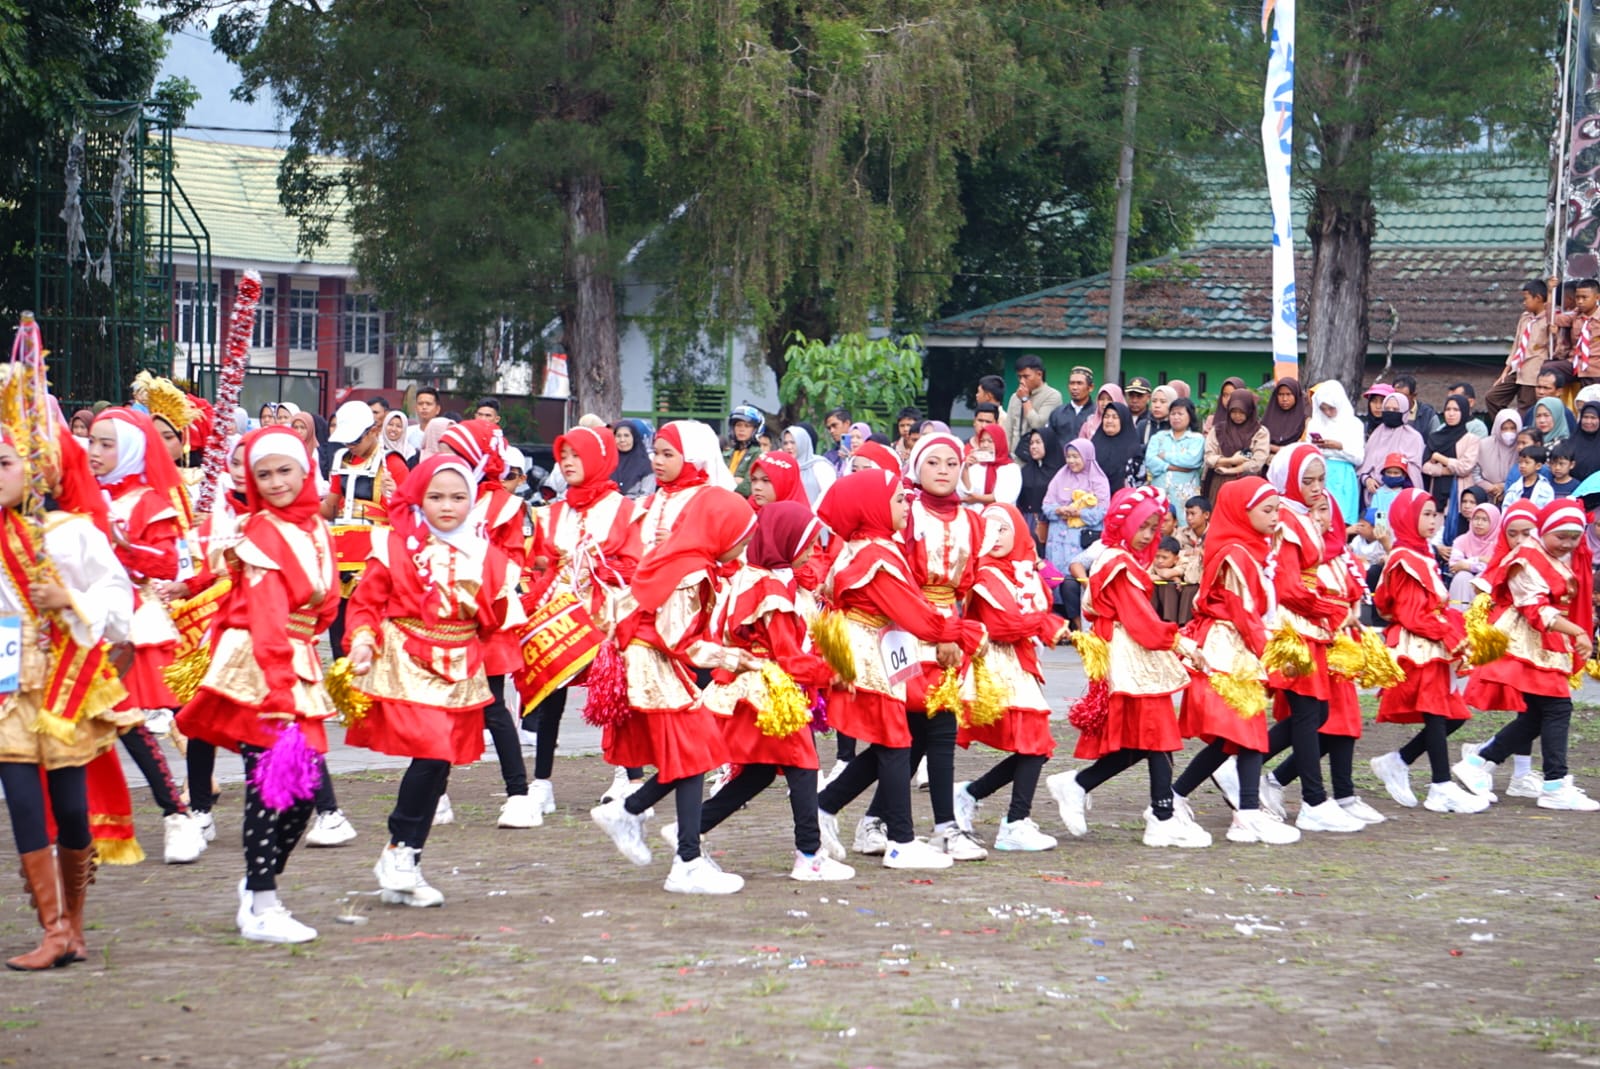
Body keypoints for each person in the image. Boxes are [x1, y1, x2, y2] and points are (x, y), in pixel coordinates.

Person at [174, 427, 341, 943]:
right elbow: (268, 617)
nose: (274, 482)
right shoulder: (263, 533)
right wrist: (276, 689)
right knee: (269, 790)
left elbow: (325, 604)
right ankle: (262, 903)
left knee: (304, 793)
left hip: (296, 661)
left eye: (284, 470)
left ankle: (256, 888)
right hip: (260, 667)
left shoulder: (315, 528)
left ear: (304, 469)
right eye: (262, 474)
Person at [345, 455, 523, 907]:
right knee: (430, 753)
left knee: (440, 763)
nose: (448, 506)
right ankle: (400, 847)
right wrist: (362, 641)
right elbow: (367, 601)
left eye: (459, 497)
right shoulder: (393, 545)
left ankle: (406, 859)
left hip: (461, 665)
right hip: (406, 658)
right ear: (419, 498)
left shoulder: (486, 556)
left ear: (472, 500)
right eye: (436, 496)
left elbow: (496, 619)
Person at [0, 427, 135, 969]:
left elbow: (118, 597)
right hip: (9, 692)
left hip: (65, 687)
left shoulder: (70, 533)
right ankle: (52, 931)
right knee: (24, 807)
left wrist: (67, 597)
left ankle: (75, 924)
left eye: (5, 462)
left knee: (74, 812)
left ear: (37, 469)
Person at [810, 470, 985, 869]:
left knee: (898, 741)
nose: (906, 505)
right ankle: (900, 841)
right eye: (897, 500)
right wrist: (962, 631)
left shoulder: (865, 546)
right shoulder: (876, 553)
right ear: (871, 507)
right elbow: (914, 614)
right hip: (872, 654)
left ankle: (825, 809)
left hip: (879, 649)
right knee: (895, 742)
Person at [590, 488, 755, 894]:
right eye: (743, 537)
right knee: (696, 752)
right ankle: (686, 861)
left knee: (691, 755)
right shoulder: (693, 570)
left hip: (648, 661)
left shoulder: (676, 556)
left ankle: (630, 813)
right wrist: (733, 658)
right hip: (655, 666)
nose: (745, 546)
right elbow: (678, 638)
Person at [686, 502, 853, 880]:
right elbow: (789, 658)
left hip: (756, 687)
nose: (812, 552)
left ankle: (689, 828)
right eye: (806, 543)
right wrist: (831, 674)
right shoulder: (774, 590)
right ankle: (809, 855)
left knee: (758, 773)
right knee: (804, 765)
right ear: (787, 541)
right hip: (769, 690)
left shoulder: (753, 576)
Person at [1046, 488, 1210, 848]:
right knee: (1157, 734)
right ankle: (1161, 816)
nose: (1150, 534)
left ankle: (1080, 785)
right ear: (1122, 524)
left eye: (1155, 526)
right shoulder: (1119, 563)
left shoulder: (1118, 559)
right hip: (1133, 656)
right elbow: (1142, 622)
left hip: (1133, 655)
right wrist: (1183, 643)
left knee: (1144, 740)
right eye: (1143, 526)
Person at [86, 409, 208, 864]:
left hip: (134, 619)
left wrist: (120, 540)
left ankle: (183, 814)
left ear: (132, 451)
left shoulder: (150, 503)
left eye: (106, 444)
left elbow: (166, 564)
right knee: (103, 726)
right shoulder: (83, 496)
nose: (94, 453)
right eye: (92, 442)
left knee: (167, 717)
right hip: (82, 622)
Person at [1170, 477, 1300, 845]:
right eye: (1267, 510)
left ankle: (1177, 796)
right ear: (1243, 513)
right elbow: (1244, 613)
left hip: (1237, 645)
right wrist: (1272, 654)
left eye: (1277, 509)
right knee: (1248, 733)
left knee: (1235, 739)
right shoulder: (1237, 554)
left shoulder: (1248, 549)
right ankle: (1245, 815)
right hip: (1229, 649)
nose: (1276, 517)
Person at [523, 426, 641, 819]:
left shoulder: (624, 510)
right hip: (560, 617)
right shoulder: (552, 512)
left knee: (617, 699)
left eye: (576, 455)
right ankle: (541, 783)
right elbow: (537, 564)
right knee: (548, 697)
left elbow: (635, 564)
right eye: (564, 456)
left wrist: (600, 568)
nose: (568, 463)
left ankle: (628, 776)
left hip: (607, 618)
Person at [1454, 500, 1600, 810]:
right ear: (1545, 530)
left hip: (1543, 641)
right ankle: (1554, 784)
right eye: (1561, 536)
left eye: (1575, 537)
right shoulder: (1527, 557)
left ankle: (1479, 762)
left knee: (1537, 715)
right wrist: (1577, 631)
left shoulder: (1543, 553)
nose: (1569, 544)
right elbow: (1535, 610)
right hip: (1530, 642)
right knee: (1557, 709)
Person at [1258, 444, 1367, 833]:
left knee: (1316, 712)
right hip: (1294, 624)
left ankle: (1246, 768)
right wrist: (1332, 609)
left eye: (1322, 480)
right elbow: (1288, 586)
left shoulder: (1301, 517)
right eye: (1308, 480)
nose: (1318, 488)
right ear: (1289, 480)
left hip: (1310, 622)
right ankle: (1313, 800)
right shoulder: (1286, 518)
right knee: (1309, 712)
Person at [434, 419, 537, 828]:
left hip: (487, 616)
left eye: (455, 453)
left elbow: (512, 564)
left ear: (478, 457)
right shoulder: (441, 494)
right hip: (445, 617)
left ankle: (519, 795)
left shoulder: (505, 505)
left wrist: (474, 583)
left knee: (492, 707)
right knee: (439, 705)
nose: (446, 461)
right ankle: (435, 793)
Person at [953, 505, 1071, 851]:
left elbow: (1043, 602)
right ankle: (1014, 821)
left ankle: (974, 796)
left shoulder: (1021, 569)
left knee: (1034, 746)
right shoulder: (985, 572)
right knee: (1034, 743)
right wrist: (1042, 623)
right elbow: (1002, 625)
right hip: (994, 666)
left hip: (1018, 664)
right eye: (989, 529)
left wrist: (1036, 571)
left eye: (1003, 529)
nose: (995, 536)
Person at [1359, 490, 1484, 814]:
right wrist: (1449, 633)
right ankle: (1440, 785)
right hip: (1421, 643)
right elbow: (1411, 612)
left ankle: (1399, 762)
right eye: (1425, 514)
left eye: (1435, 514)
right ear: (1406, 517)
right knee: (1438, 711)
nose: (1433, 520)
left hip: (1431, 641)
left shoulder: (1420, 552)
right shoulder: (1407, 558)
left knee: (1449, 714)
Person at [1042, 440, 1110, 575]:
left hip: (1082, 541)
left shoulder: (1098, 481)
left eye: (1076, 456)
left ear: (1087, 456)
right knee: (1056, 578)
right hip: (1057, 541)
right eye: (1068, 456)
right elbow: (1046, 505)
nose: (1071, 461)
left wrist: (1079, 513)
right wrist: (1059, 510)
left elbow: (1102, 511)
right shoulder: (1060, 477)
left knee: (1076, 581)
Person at [1304, 381, 1365, 522]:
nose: (1327, 413)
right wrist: (1321, 447)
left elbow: (1358, 458)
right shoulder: (1315, 423)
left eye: (1331, 408)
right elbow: (1308, 450)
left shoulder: (1354, 424)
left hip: (1343, 476)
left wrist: (1339, 447)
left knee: (1341, 519)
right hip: (1319, 473)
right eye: (1323, 409)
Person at [1487, 281, 1552, 413]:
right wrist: (1506, 370)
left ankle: (1522, 430)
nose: (1524, 302)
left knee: (1525, 406)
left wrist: (1550, 291)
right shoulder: (1525, 318)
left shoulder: (1549, 319)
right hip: (1517, 368)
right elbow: (1516, 345)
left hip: (1533, 370)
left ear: (1538, 298)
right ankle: (1507, 426)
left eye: (1526, 299)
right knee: (1493, 398)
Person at [1422, 395, 1480, 539]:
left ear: (1465, 412)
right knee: (1436, 535)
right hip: (1436, 492)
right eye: (1448, 409)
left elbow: (1465, 468)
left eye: (1456, 409)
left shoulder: (1471, 439)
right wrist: (1443, 471)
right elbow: (1425, 466)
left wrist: (1441, 458)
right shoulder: (1435, 437)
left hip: (1458, 493)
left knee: (1458, 535)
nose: (1451, 413)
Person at [1203, 386, 1268, 497]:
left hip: (1247, 483)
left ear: (1250, 411)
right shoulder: (1218, 430)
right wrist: (1232, 460)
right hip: (1219, 482)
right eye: (1234, 411)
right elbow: (1209, 458)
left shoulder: (1260, 432)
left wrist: (1230, 470)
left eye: (1242, 412)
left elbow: (1257, 462)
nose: (1237, 416)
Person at [1143, 397, 1204, 514]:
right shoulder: (1158, 437)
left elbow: (1191, 460)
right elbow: (1150, 461)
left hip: (1185, 496)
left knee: (1185, 527)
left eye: (1180, 414)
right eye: (1173, 413)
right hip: (1160, 494)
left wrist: (1165, 455)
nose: (1176, 417)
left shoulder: (1197, 439)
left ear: (1190, 416)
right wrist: (1171, 467)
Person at [1359, 394, 1424, 503]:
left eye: (1395, 409)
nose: (1391, 412)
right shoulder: (1376, 435)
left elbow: (1415, 473)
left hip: (1403, 499)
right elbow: (1363, 469)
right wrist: (1367, 480)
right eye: (1387, 409)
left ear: (1404, 412)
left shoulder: (1414, 438)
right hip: (1375, 498)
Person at [1016, 428, 1064, 550]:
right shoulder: (1026, 470)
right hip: (1028, 521)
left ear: (1048, 443)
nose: (1033, 447)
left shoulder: (1061, 472)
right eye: (1031, 443)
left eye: (1038, 442)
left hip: (1053, 523)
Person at [1005, 355, 1062, 454]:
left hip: (1039, 459)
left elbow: (1038, 424)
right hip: (1015, 458)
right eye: (1019, 377)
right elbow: (1008, 430)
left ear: (1039, 374)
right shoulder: (1015, 397)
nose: (1021, 381)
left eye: (1026, 376)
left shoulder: (1053, 396)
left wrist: (1025, 399)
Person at [1447, 501, 1501, 604]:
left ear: (1494, 522)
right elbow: (1454, 565)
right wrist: (1480, 560)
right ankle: (1457, 616)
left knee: (1482, 578)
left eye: (1485, 520)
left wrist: (1468, 565)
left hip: (1489, 591)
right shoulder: (1462, 540)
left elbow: (1496, 567)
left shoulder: (1499, 543)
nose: (1479, 523)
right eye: (1476, 518)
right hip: (1463, 588)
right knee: (1462, 576)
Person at [959, 424, 1020, 507]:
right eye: (982, 441)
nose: (985, 445)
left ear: (1000, 442)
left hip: (1000, 516)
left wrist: (977, 499)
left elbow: (1005, 497)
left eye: (990, 441)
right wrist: (966, 468)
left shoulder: (1011, 468)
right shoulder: (976, 466)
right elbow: (966, 492)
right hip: (976, 516)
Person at [1091, 400, 1143, 493]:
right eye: (1106, 416)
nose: (1109, 421)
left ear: (1123, 420)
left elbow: (1140, 480)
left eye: (1115, 417)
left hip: (1124, 501)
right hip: (1095, 500)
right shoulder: (1093, 445)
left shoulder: (1133, 448)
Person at [781, 424, 837, 506]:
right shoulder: (783, 467)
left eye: (793, 442)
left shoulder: (820, 466)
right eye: (785, 443)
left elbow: (830, 496)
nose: (789, 447)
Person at [1476, 409, 1523, 502]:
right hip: (1486, 498)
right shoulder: (1483, 445)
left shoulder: (1522, 446)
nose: (1508, 432)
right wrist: (1490, 487)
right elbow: (1474, 472)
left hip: (1516, 498)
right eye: (1504, 428)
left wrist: (1505, 487)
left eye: (1513, 428)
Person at [1046, 365, 1097, 443]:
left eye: (1079, 383)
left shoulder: (1097, 413)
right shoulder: (1057, 413)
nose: (1074, 387)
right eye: (1072, 383)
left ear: (1091, 387)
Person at [723, 405, 765, 497]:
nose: (741, 429)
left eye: (747, 426)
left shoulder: (758, 454)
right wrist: (736, 480)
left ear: (755, 429)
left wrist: (725, 481)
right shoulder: (726, 454)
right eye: (738, 425)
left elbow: (747, 488)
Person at [611, 418, 656, 500]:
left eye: (626, 435)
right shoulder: (608, 462)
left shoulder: (646, 465)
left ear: (634, 438)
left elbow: (646, 497)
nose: (622, 440)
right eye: (618, 436)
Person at [1263, 377, 1308, 456]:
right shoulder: (1268, 417)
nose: (1284, 399)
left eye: (1288, 394)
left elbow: (1303, 444)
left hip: (1294, 460)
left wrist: (1274, 448)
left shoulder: (1305, 420)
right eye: (1280, 394)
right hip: (1267, 462)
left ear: (1296, 395)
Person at [405, 387, 442, 454]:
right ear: (415, 408)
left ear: (437, 409)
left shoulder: (443, 435)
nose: (424, 407)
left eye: (428, 404)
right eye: (420, 403)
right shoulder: (407, 433)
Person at [1569, 402, 1600, 481]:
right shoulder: (1569, 443)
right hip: (1573, 490)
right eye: (1585, 417)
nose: (1588, 421)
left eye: (1593, 418)